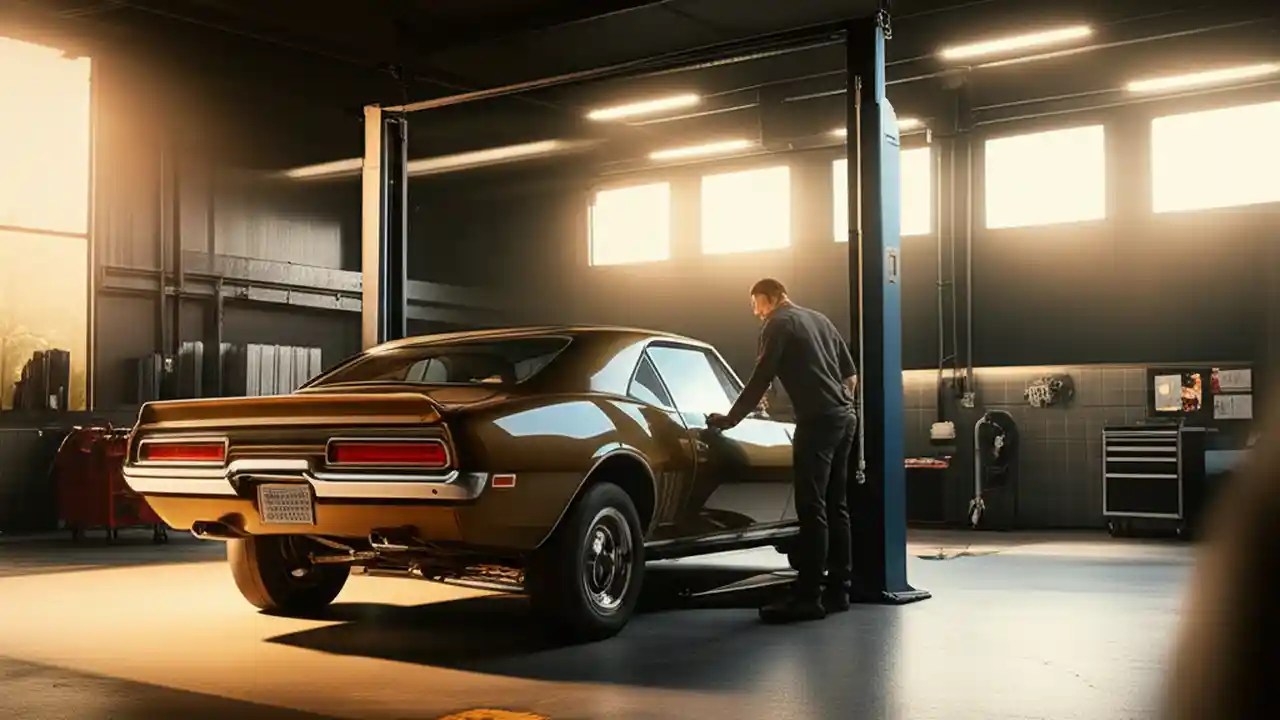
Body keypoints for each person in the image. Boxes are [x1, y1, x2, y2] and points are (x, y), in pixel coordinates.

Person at [708, 278, 858, 623]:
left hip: (818, 421)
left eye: (757, 304)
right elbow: (850, 375)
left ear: (771, 297)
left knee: (812, 506)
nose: (756, 313)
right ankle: (839, 591)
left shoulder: (778, 323)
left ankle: (808, 597)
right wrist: (842, 404)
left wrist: (731, 419)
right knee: (837, 506)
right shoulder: (819, 319)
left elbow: (762, 375)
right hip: (845, 419)